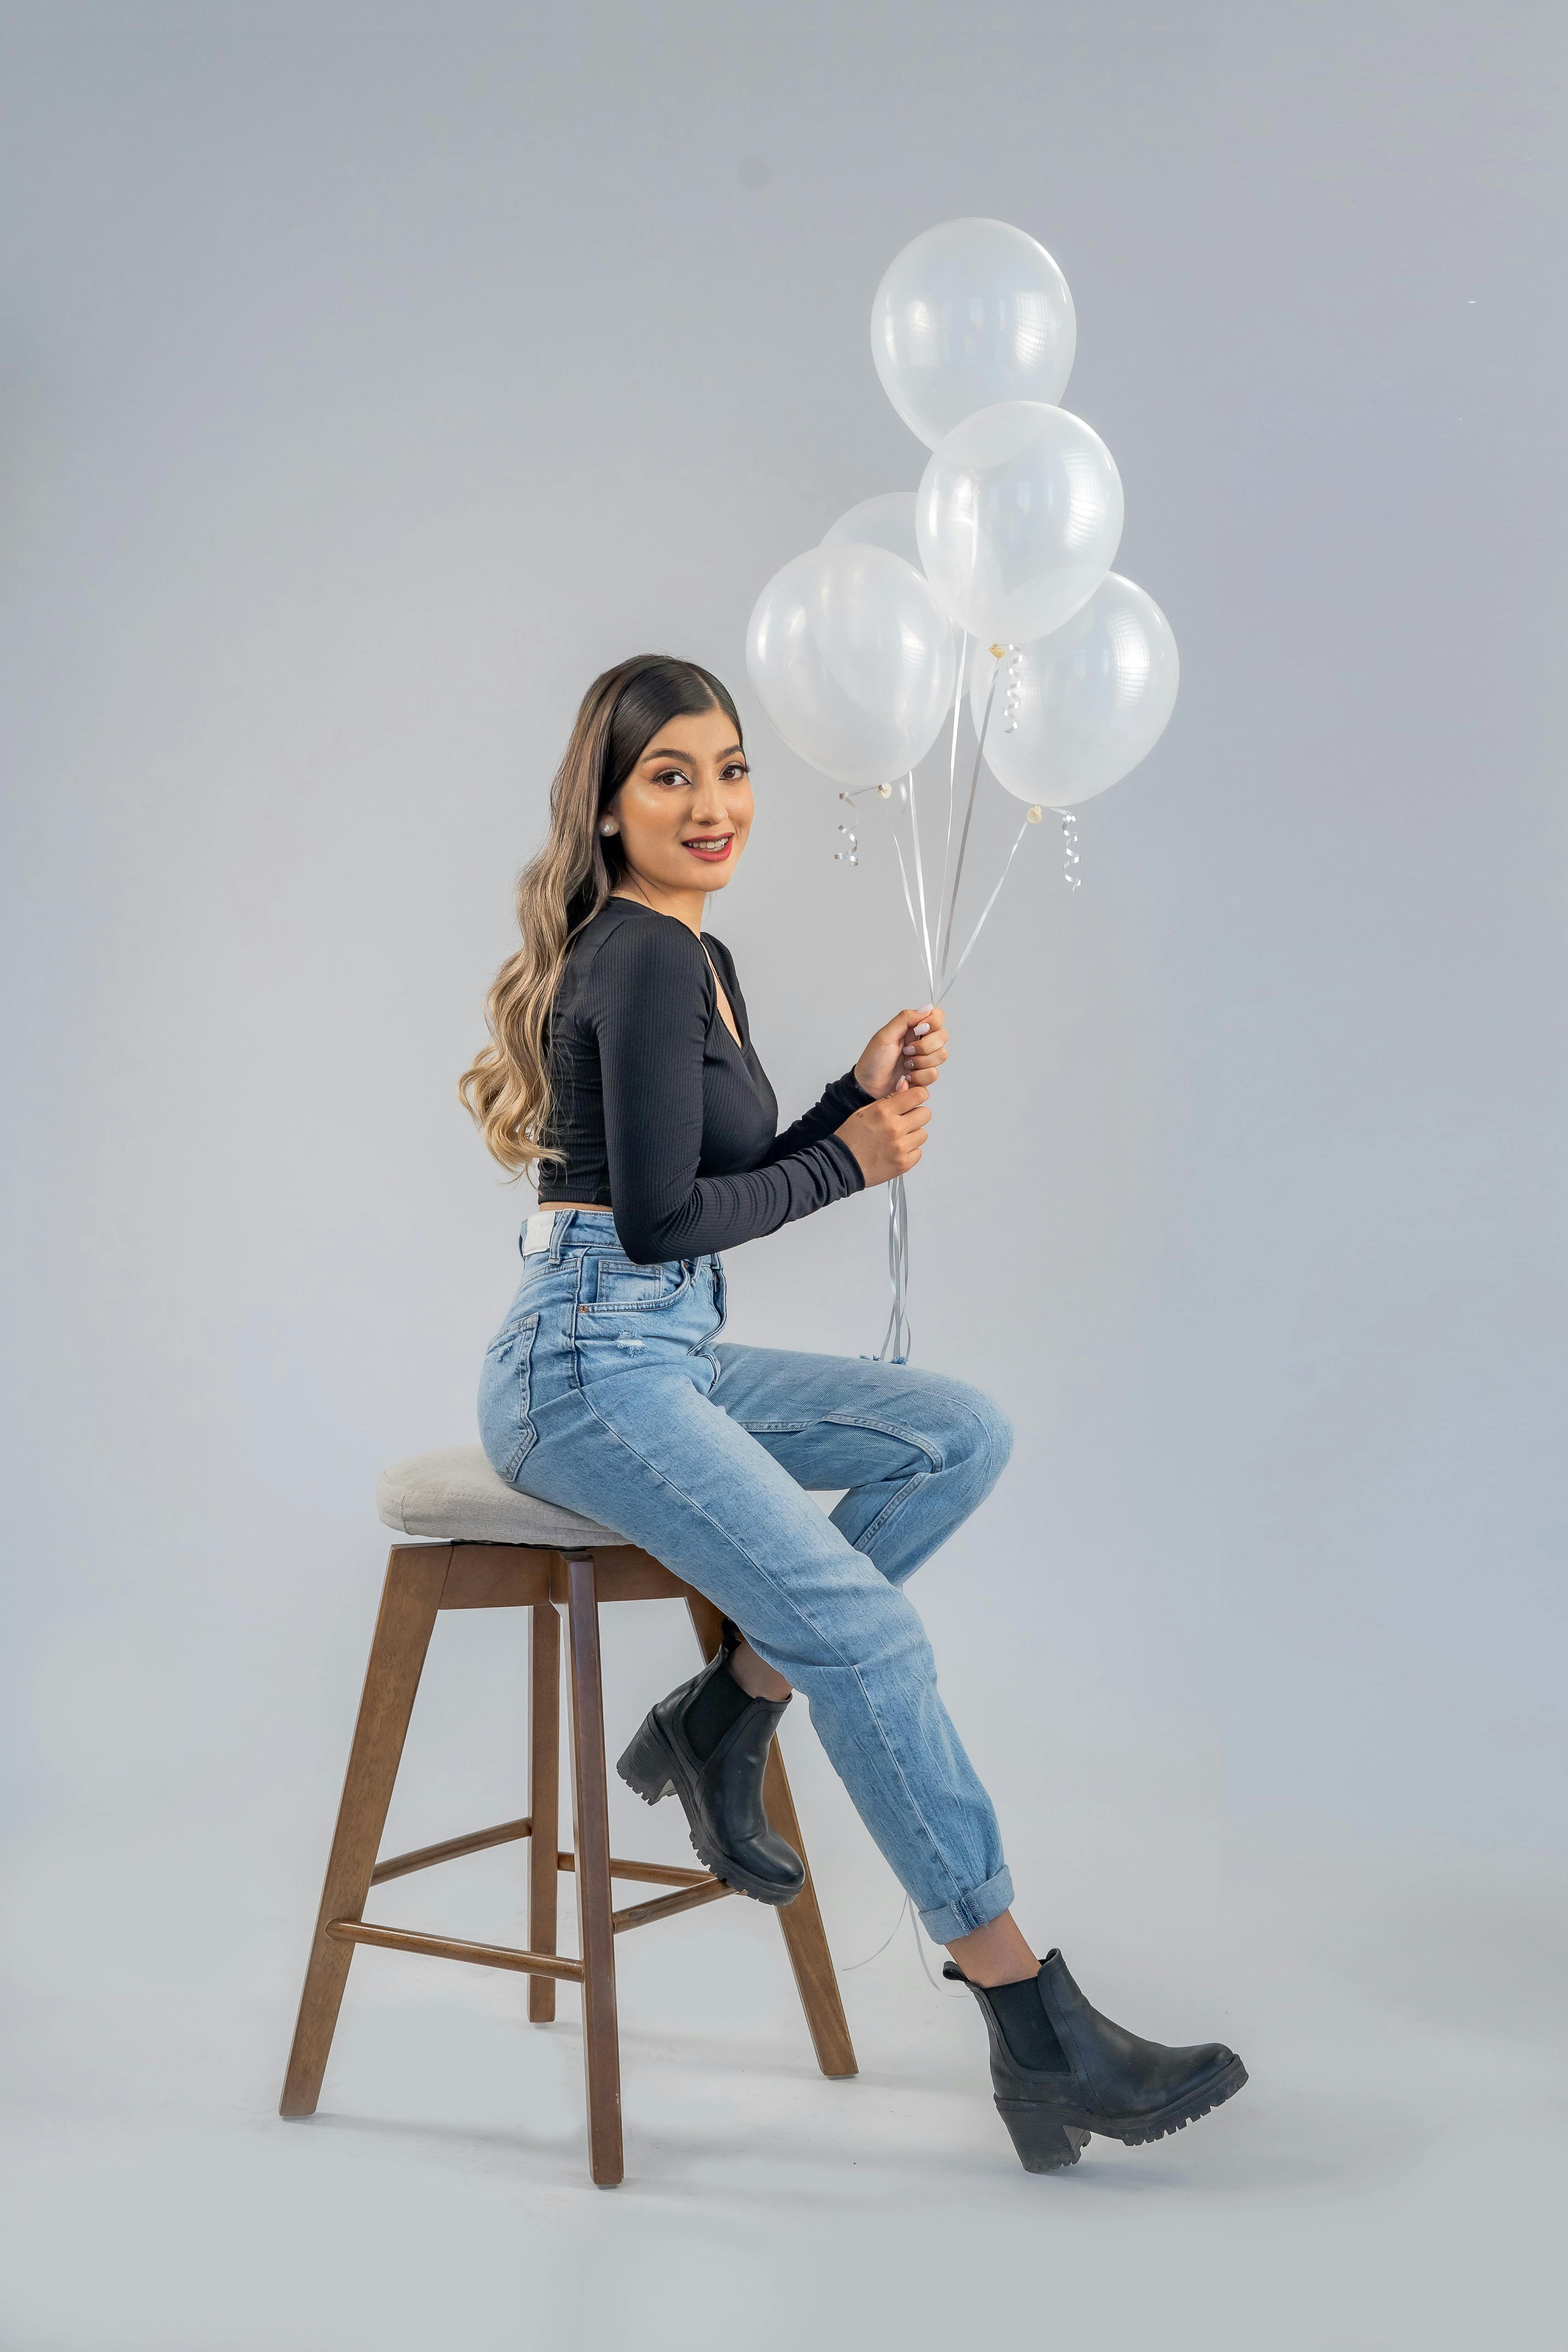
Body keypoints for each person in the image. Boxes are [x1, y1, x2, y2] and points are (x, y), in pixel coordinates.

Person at [460, 653, 1246, 2172]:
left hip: (665, 1353)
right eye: (670, 775)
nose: (714, 802)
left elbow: (701, 1173)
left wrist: (841, 1100)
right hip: (580, 1368)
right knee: (869, 1635)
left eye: (732, 767)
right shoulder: (634, 953)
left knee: (957, 1431)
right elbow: (659, 1218)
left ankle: (723, 1711)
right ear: (609, 812)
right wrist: (857, 1161)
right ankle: (1033, 2021)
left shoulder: (699, 953)